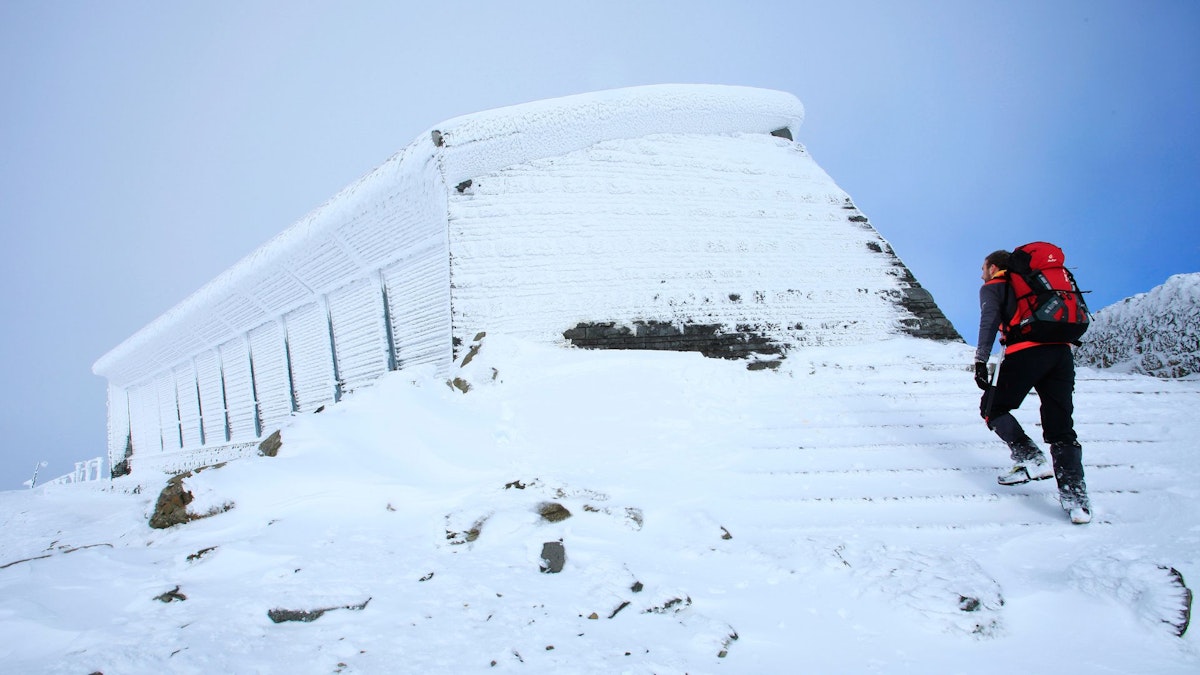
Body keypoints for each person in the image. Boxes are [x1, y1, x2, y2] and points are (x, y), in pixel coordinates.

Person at [975, 249, 1091, 524]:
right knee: (1061, 427)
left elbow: (989, 322)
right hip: (1061, 355)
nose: (981, 273)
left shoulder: (995, 286)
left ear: (993, 267)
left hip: (1025, 353)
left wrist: (980, 360)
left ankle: (1030, 457)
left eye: (983, 267)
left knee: (992, 407)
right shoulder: (1042, 284)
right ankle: (1077, 501)